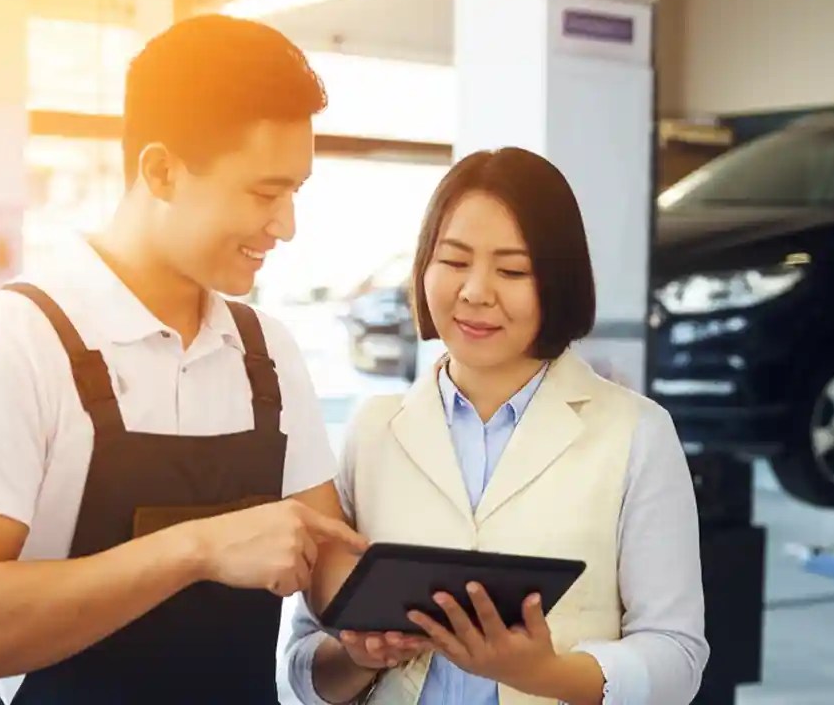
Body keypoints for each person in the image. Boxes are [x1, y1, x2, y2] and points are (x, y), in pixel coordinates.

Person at [0, 15, 366, 704]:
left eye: (295, 191)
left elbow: (325, 564)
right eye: (265, 193)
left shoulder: (267, 352)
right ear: (161, 170)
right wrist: (197, 550)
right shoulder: (6, 344)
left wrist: (397, 613)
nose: (286, 226)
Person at [283, 148, 709, 704]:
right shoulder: (374, 430)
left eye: (512, 270)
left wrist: (545, 673)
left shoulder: (636, 432)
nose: (475, 291)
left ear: (557, 280)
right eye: (454, 262)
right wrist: (359, 658)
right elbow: (301, 666)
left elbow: (677, 655)